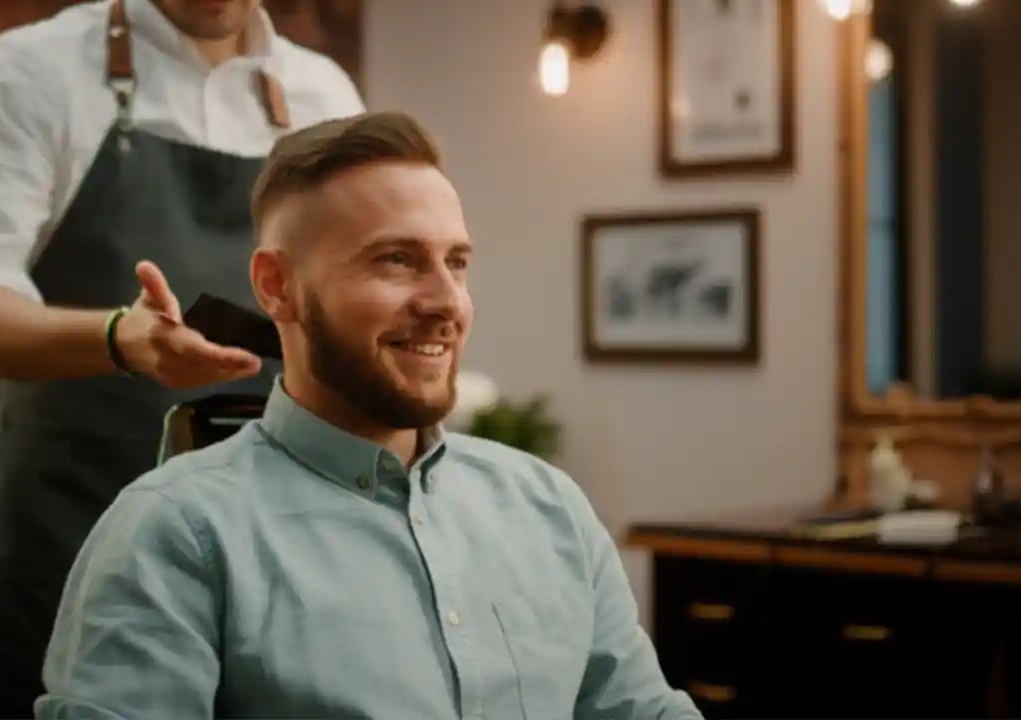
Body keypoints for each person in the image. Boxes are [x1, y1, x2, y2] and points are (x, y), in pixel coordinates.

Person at [35, 112, 702, 720]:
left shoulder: (550, 509)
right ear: (278, 287)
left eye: (457, 263)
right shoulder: (173, 536)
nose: (447, 300)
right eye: (397, 260)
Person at [0, 0, 363, 715]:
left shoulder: (324, 96)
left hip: (275, 548)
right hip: (72, 533)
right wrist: (119, 339)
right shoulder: (34, 69)